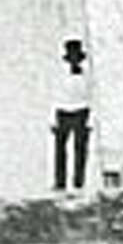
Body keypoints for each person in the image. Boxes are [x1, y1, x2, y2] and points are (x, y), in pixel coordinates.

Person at [52, 36, 92, 192]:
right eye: (71, 56)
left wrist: (90, 118)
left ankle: (78, 182)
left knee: (80, 148)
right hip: (63, 111)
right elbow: (53, 93)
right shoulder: (59, 73)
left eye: (77, 56)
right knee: (60, 149)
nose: (74, 60)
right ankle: (60, 183)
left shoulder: (87, 74)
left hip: (81, 111)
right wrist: (53, 117)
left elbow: (92, 94)